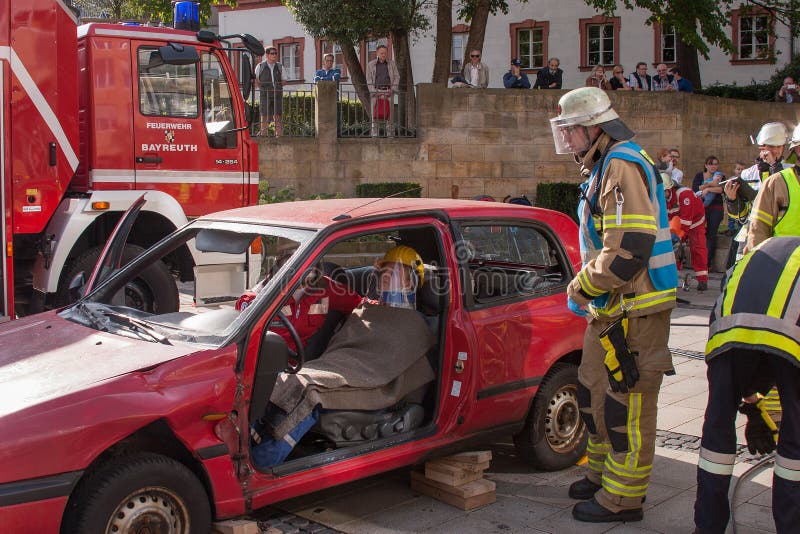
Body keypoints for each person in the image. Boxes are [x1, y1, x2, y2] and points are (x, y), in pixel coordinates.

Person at [550, 87, 677, 523]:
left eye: (570, 131)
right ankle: (602, 474)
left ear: (594, 128)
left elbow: (629, 249)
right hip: (610, 310)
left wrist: (579, 288)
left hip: (637, 309)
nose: (566, 141)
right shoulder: (603, 166)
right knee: (592, 391)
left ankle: (623, 499)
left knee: (627, 405)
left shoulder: (621, 165)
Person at [249, 245, 436, 468]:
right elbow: (349, 337)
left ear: (410, 282)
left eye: (394, 272)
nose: (386, 277)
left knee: (308, 390)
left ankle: (263, 463)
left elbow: (394, 358)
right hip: (332, 365)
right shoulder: (367, 309)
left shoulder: (415, 323)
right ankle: (251, 444)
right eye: (384, 271)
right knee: (285, 380)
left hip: (367, 377)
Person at [694, 236, 800, 534]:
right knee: (795, 445)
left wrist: (753, 407)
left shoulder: (767, 247)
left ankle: (708, 526)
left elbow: (751, 356)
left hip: (729, 331)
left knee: (716, 429)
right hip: (788, 332)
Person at [744, 122, 796, 254]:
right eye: (772, 146)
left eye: (779, 146)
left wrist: (774, 167)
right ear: (761, 146)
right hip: (749, 234)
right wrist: (732, 201)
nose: (776, 150)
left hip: (781, 241)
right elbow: (740, 214)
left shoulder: (792, 172)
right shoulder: (748, 174)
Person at [663, 173, 709, 291]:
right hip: (677, 223)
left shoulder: (684, 195)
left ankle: (702, 279)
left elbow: (686, 221)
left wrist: (677, 238)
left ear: (669, 189)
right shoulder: (662, 197)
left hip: (695, 222)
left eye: (663, 191)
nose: (661, 194)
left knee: (698, 248)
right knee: (674, 249)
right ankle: (673, 276)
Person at [692, 156, 725, 269]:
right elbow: (696, 189)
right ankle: (698, 261)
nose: (713, 166)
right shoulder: (699, 176)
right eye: (711, 164)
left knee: (711, 234)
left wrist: (707, 189)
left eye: (715, 164)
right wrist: (711, 184)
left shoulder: (721, 175)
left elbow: (721, 189)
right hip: (701, 208)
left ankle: (707, 263)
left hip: (716, 208)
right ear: (706, 165)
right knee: (699, 234)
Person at [366, 44, 400, 137]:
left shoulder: (392, 64)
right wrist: (374, 92)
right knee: (374, 116)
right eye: (381, 53)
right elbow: (368, 80)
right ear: (377, 53)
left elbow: (397, 77)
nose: (383, 55)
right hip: (376, 92)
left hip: (388, 92)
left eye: (385, 53)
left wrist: (392, 90)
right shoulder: (371, 64)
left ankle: (390, 136)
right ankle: (374, 136)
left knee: (390, 116)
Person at [255, 47, 284, 137]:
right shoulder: (260, 66)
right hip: (265, 94)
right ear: (267, 55)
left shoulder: (279, 66)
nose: (274, 55)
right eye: (272, 53)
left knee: (278, 114)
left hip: (277, 93)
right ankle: (264, 135)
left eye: (275, 53)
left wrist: (277, 87)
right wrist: (264, 88)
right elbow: (256, 81)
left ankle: (278, 135)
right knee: (264, 114)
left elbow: (284, 80)